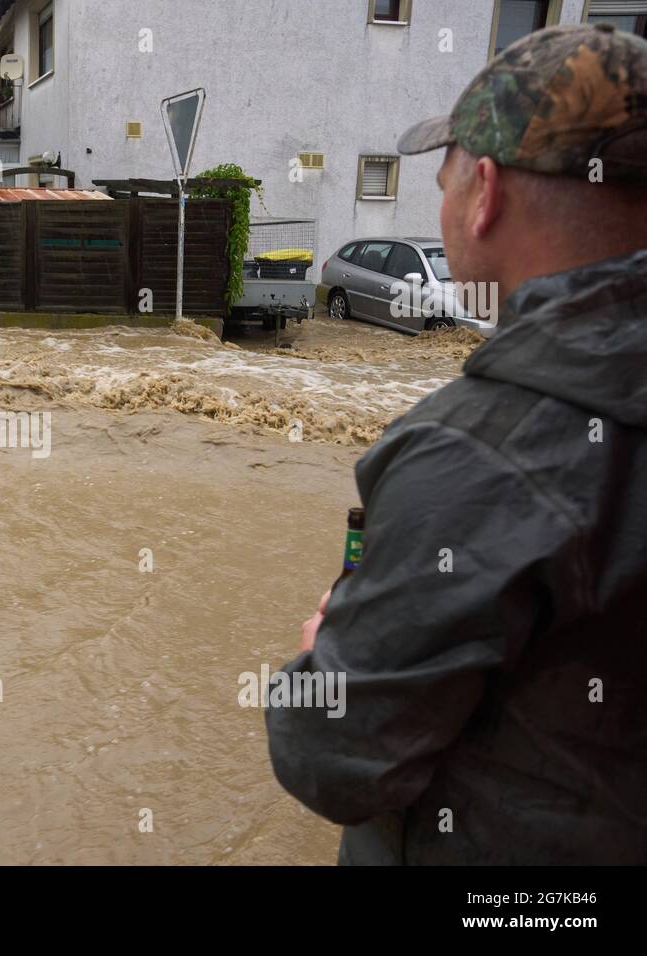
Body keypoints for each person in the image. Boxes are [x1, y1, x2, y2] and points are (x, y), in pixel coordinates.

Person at [265, 23, 647, 865]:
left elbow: (328, 759)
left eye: (439, 180)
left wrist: (322, 657)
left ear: (483, 193)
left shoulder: (472, 454)